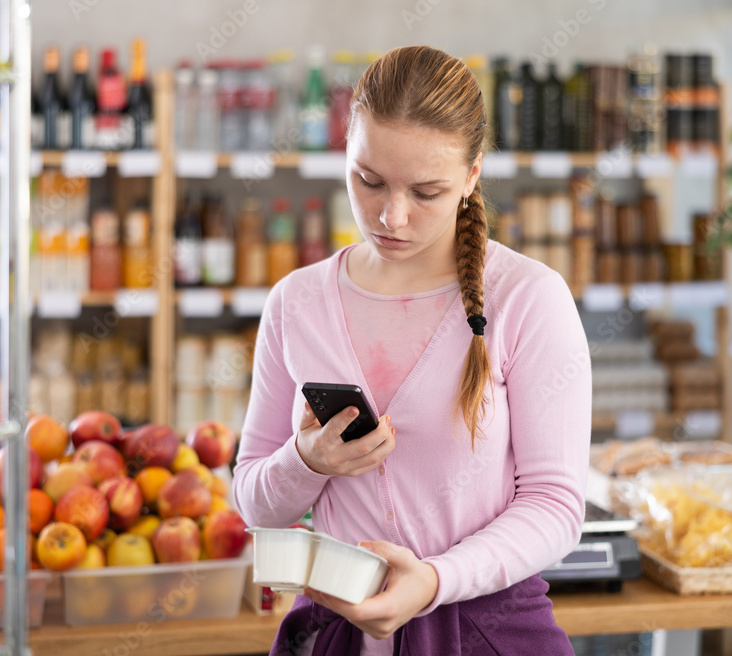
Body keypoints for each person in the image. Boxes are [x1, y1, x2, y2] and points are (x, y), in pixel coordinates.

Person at [233, 45, 591, 655]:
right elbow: (252, 501)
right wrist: (307, 462)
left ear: (473, 174)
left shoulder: (530, 299)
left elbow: (556, 505)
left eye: (426, 192)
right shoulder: (297, 302)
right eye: (368, 181)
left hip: (485, 629)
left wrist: (433, 581)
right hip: (335, 631)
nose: (390, 216)